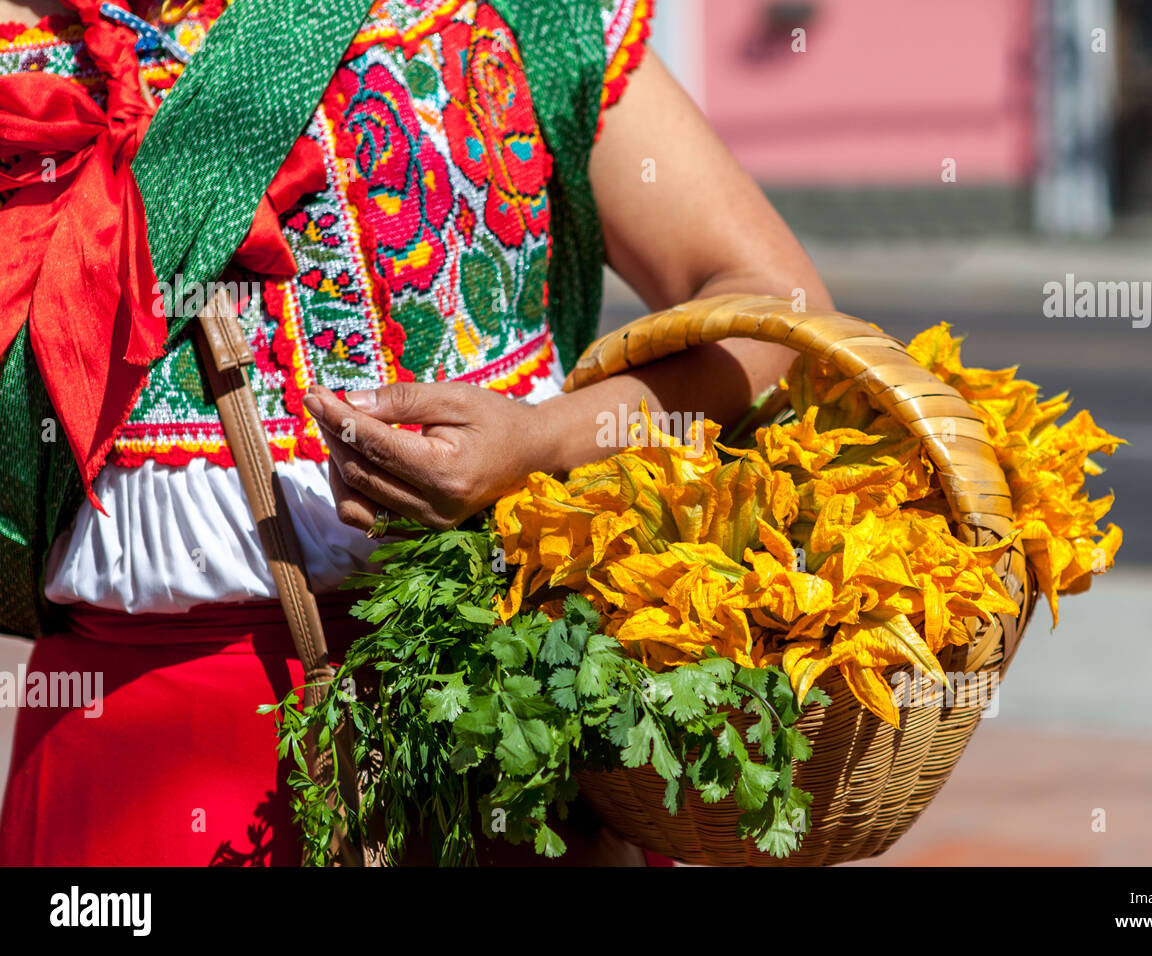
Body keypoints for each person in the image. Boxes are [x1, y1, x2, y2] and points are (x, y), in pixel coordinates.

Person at [0, 0, 831, 865]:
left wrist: (542, 442)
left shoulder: (514, 17)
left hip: (504, 726)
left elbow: (769, 307)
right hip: (136, 777)